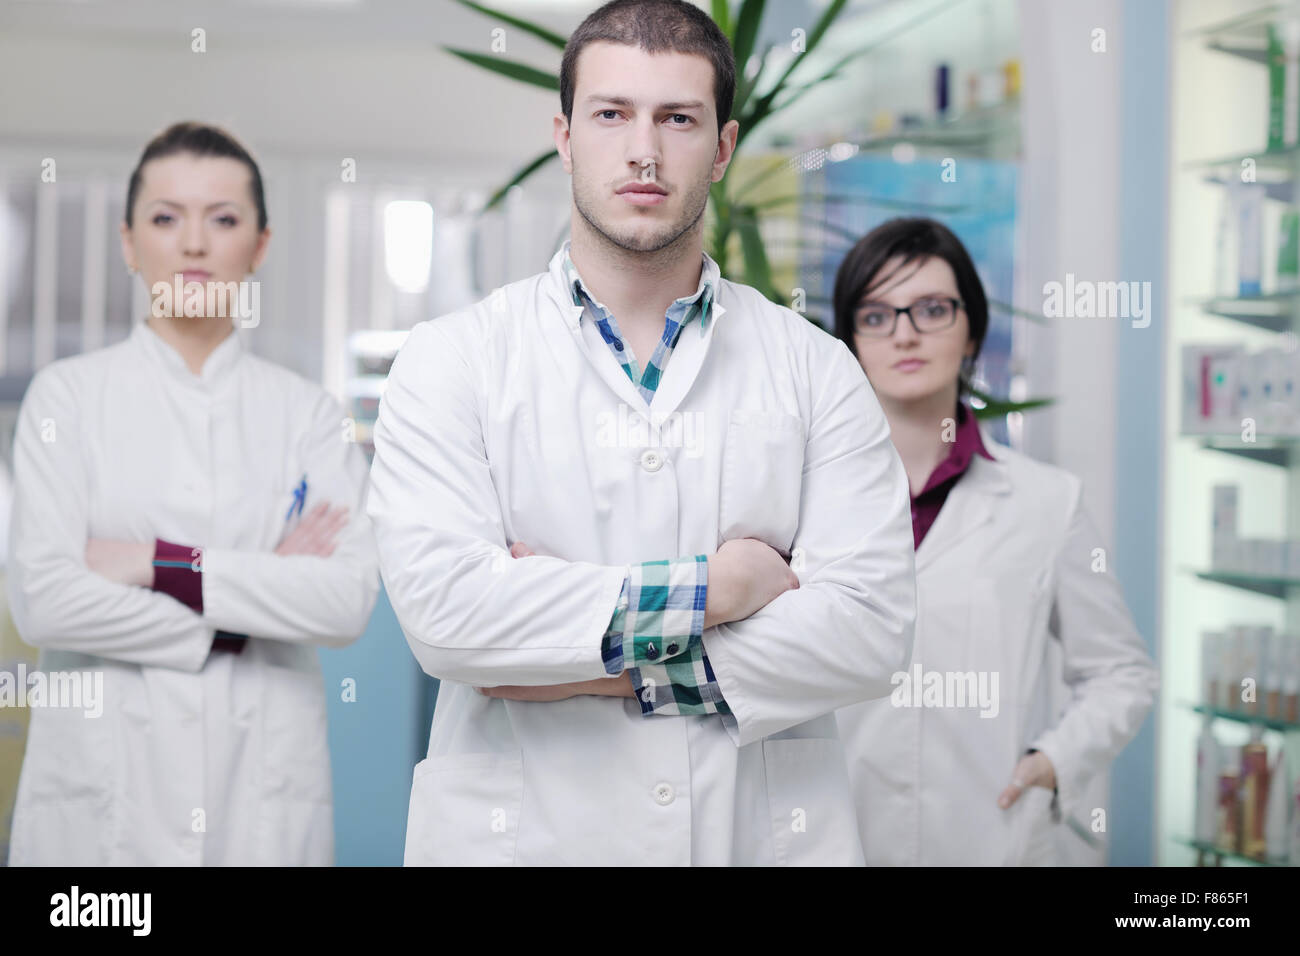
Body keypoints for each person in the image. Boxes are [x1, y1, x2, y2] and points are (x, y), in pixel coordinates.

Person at [366, 0, 916, 866]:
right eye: (612, 113)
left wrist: (590, 664)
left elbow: (869, 631)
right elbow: (448, 617)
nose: (644, 151)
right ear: (565, 132)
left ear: (725, 146)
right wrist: (719, 590)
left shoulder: (816, 370)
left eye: (678, 118)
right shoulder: (453, 361)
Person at [6, 121, 381, 865]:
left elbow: (342, 603)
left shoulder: (307, 414)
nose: (194, 244)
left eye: (224, 219)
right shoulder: (65, 400)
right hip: (99, 810)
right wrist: (245, 614)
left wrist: (157, 562)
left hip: (262, 804)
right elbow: (43, 599)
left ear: (261, 245)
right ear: (128, 241)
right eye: (166, 217)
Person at [831, 217, 1159, 865]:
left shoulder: (1046, 503)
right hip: (839, 832)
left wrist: (1053, 761)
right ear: (849, 340)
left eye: (931, 309)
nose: (904, 333)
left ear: (972, 330)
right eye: (875, 315)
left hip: (991, 835)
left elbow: (1122, 673)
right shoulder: (804, 501)